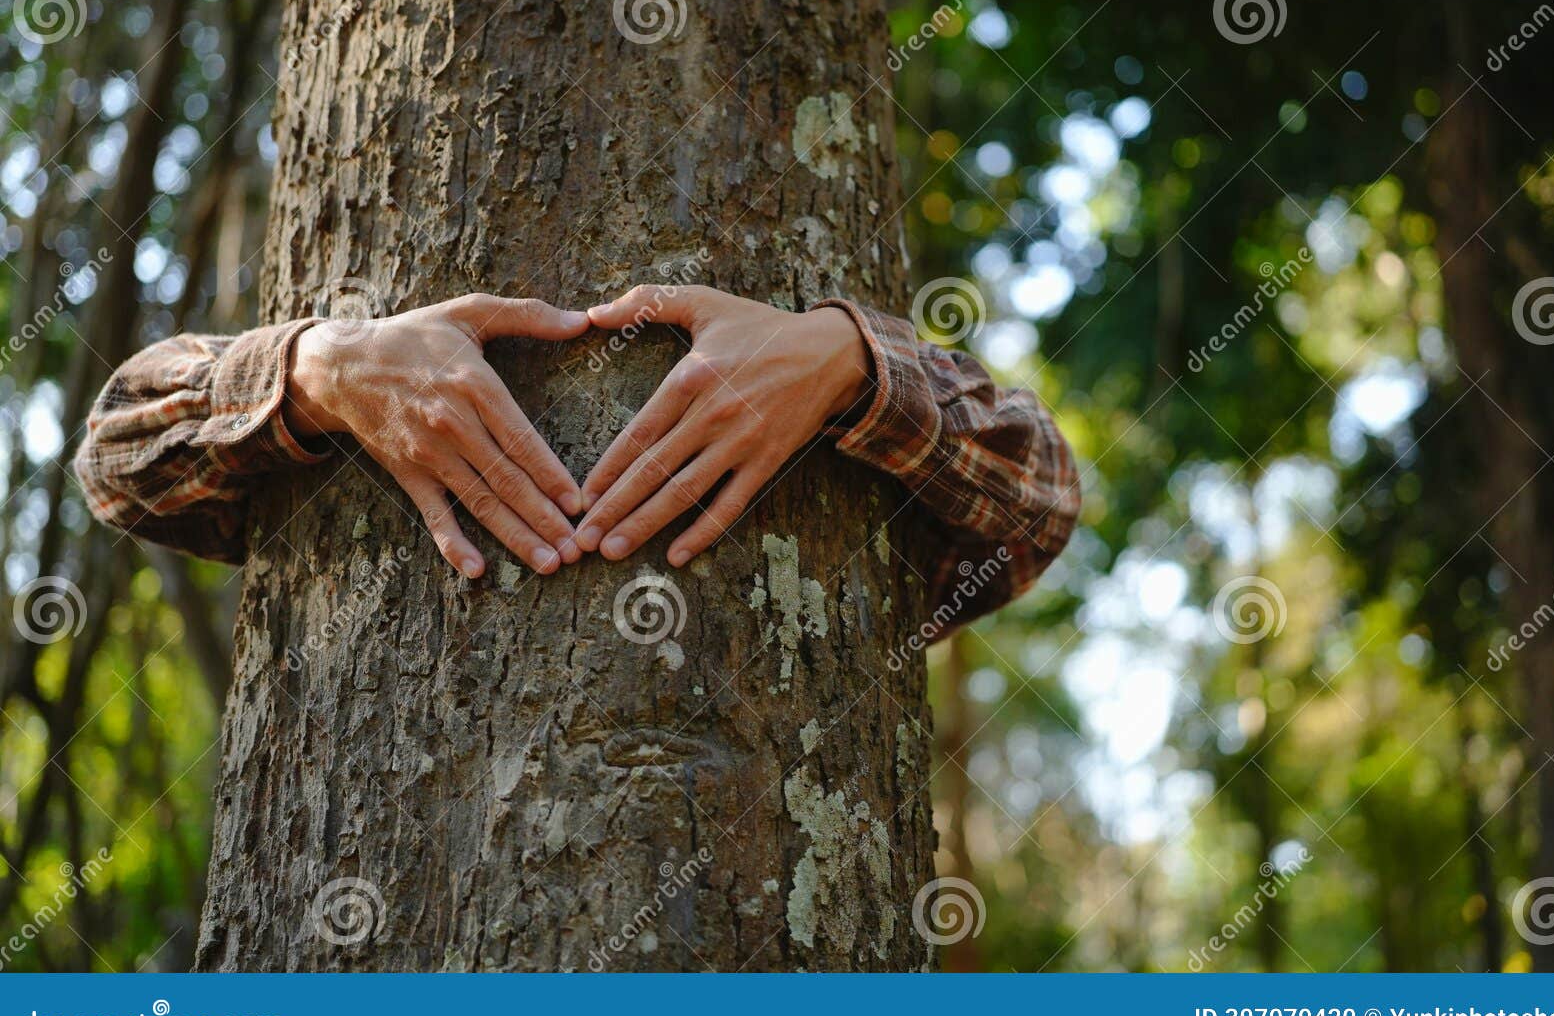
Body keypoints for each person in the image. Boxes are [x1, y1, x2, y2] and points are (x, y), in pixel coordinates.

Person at [74, 284, 1080, 631]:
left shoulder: (876, 461)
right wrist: (319, 368)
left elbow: (1040, 506)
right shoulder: (315, 408)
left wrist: (854, 359)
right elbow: (115, 459)